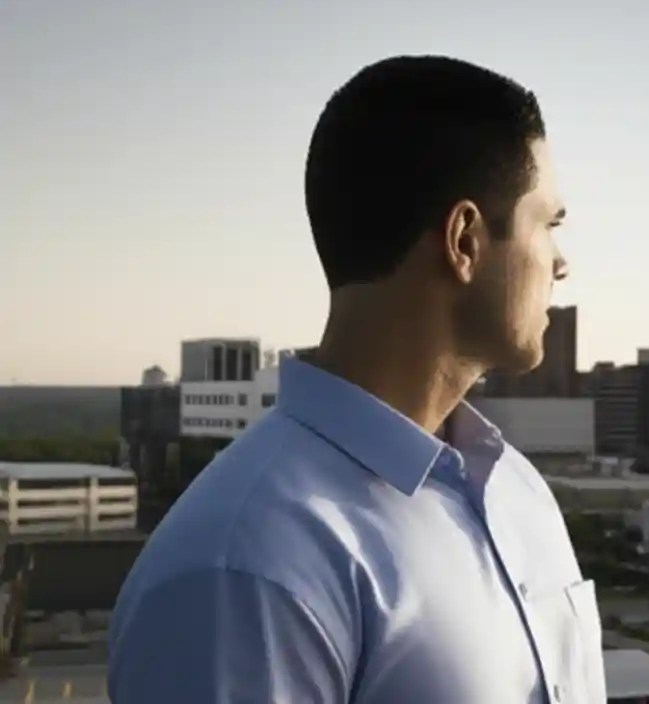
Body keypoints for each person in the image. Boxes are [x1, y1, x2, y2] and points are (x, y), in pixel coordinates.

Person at [108, 56, 605, 703]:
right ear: (465, 240)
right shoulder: (244, 568)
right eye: (549, 225)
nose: (561, 264)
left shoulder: (516, 491)